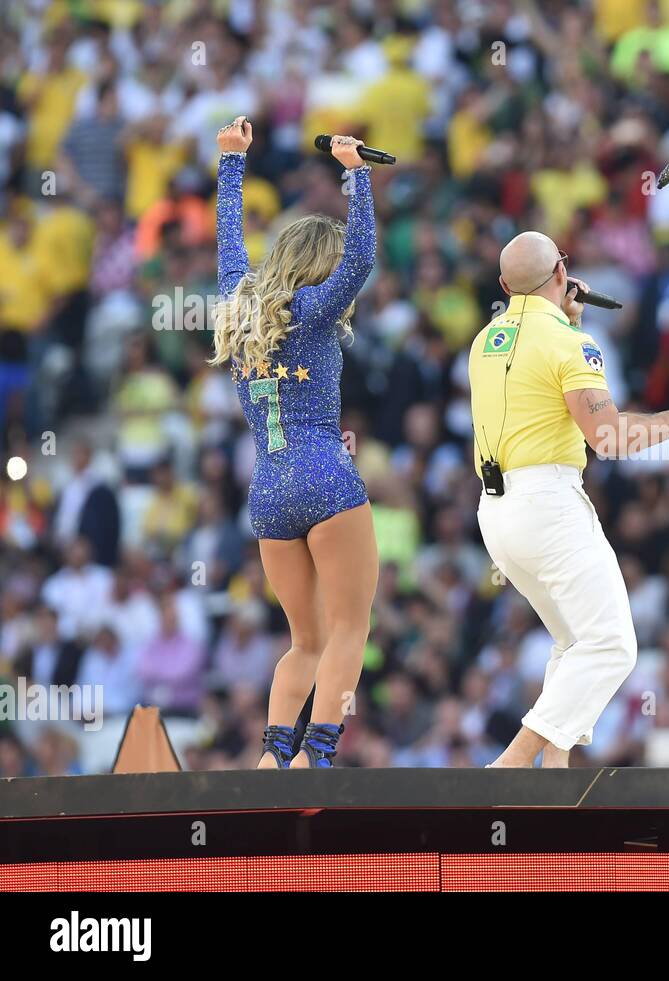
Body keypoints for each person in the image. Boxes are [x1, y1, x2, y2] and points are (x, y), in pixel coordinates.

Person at [469, 230, 669, 767]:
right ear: (563, 273)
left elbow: (536, 388)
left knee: (574, 641)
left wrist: (567, 318)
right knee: (613, 645)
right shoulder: (570, 345)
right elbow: (610, 438)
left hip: (497, 513)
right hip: (547, 504)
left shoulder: (486, 339)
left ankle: (553, 768)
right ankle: (513, 761)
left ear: (506, 286)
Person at [210, 116, 379, 768]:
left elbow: (229, 245)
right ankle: (318, 752)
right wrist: (357, 176)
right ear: (317, 266)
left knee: (303, 640)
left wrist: (231, 162)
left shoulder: (238, 307)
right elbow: (362, 258)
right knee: (349, 626)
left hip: (269, 491)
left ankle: (271, 756)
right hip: (326, 478)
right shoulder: (312, 311)